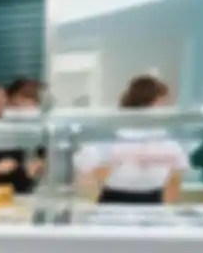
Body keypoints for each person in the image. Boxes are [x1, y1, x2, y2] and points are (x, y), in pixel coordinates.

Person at [76, 75, 188, 205]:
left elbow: (175, 177)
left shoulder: (166, 140)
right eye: (162, 103)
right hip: (113, 202)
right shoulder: (112, 137)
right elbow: (87, 176)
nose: (165, 110)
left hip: (153, 202)